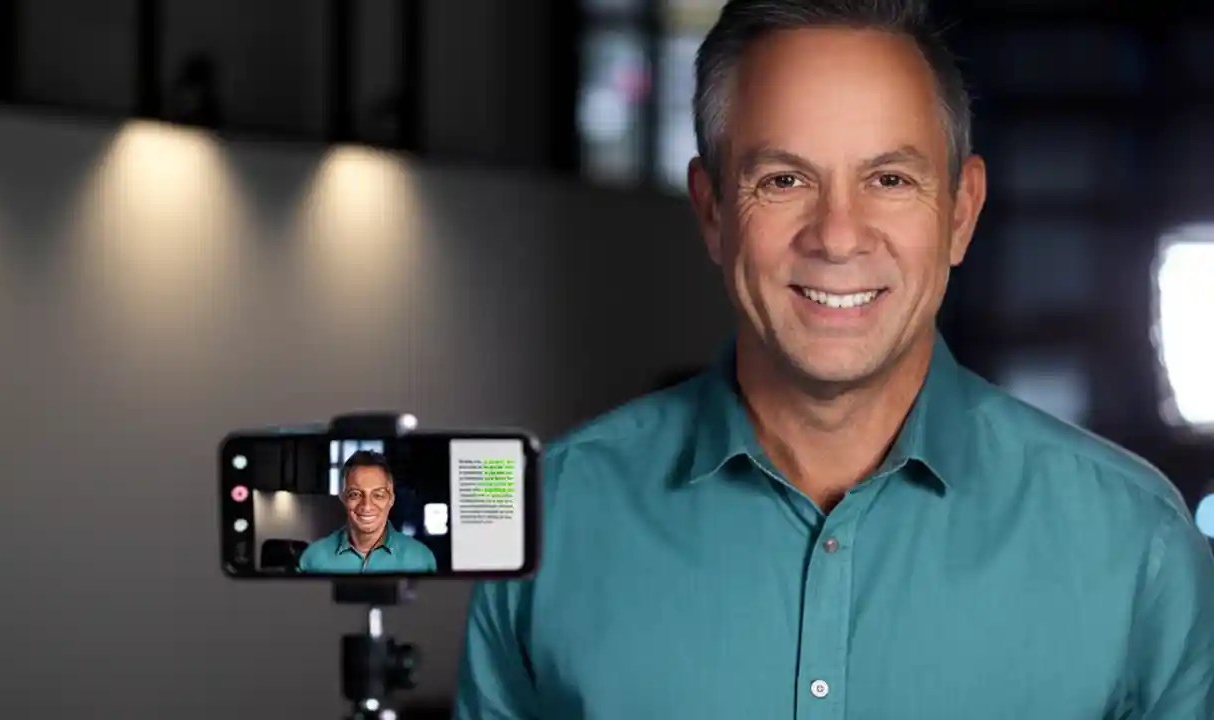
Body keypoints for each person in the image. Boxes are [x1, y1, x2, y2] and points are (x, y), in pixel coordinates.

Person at [454, 1, 1214, 718]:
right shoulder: (547, 521)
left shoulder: (1132, 544)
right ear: (713, 210)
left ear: (960, 212)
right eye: (783, 180)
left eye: (889, 180)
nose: (839, 236)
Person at [298, 450, 437, 573]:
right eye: (355, 494)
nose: (367, 506)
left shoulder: (421, 559)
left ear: (391, 499)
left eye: (378, 495)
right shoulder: (312, 559)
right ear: (343, 498)